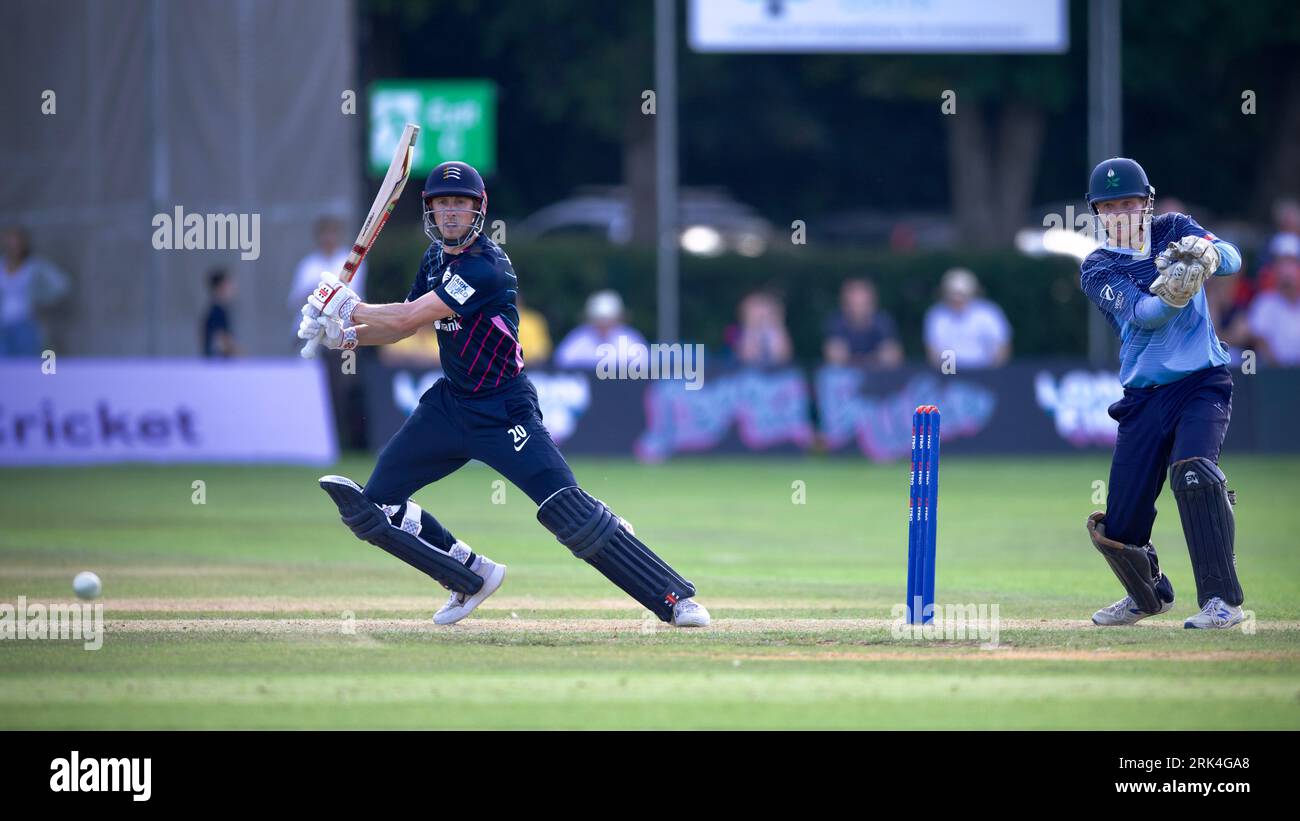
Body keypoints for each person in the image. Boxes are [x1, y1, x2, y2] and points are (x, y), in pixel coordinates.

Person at [294, 161, 708, 627]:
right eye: (442, 204)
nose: (451, 213)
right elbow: (397, 332)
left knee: (569, 513)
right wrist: (341, 334)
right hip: (450, 406)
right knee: (374, 509)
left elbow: (410, 316)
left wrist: (350, 306)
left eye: (461, 204)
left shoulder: (484, 266)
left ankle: (676, 600)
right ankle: (470, 575)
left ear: (478, 211)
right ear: (431, 210)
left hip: (505, 410)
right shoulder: (433, 260)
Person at [1078, 157, 1246, 630]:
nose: (1122, 214)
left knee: (1194, 474)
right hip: (1144, 396)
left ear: (1147, 203)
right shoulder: (1098, 266)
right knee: (1120, 524)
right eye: (1110, 207)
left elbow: (1232, 258)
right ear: (1098, 213)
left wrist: (1210, 254)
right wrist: (1175, 288)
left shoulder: (1174, 227)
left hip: (1201, 383)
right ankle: (1148, 594)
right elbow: (1145, 314)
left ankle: (1221, 601)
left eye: (1130, 203)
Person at [0, 225, 69, 356]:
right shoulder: (1, 266)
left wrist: (42, 300)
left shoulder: (34, 266)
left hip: (25, 322)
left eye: (17, 242)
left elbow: (61, 284)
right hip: (3, 323)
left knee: (25, 364)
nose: (13, 246)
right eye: (10, 241)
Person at [288, 216, 366, 332]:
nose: (328, 238)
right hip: (309, 327)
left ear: (339, 235)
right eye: (324, 233)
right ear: (318, 237)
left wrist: (320, 293)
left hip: (342, 329)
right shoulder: (307, 264)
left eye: (333, 233)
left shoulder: (352, 261)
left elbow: (351, 297)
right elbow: (296, 300)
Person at [922, 268, 1011, 369]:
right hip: (951, 372)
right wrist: (951, 373)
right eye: (952, 295)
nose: (957, 299)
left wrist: (992, 373)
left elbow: (1001, 346)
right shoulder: (937, 314)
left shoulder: (988, 313)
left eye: (961, 295)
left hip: (985, 370)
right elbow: (934, 350)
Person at [552, 290, 648, 371]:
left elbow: (646, 366)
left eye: (608, 320)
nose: (604, 324)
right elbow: (561, 362)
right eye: (600, 320)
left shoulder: (630, 340)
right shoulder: (579, 339)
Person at [823, 278, 902, 368]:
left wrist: (856, 360)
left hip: (878, 374)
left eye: (864, 304)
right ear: (845, 304)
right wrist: (873, 359)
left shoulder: (883, 322)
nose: (859, 309)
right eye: (855, 304)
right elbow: (834, 358)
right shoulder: (836, 322)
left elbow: (892, 357)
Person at [1246, 254, 1300, 366]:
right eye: (1285, 281)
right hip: (1272, 369)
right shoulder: (1265, 302)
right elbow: (1259, 339)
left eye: (1291, 280)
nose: (1289, 285)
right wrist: (1277, 367)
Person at [729, 290, 793, 367]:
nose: (760, 314)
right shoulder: (736, 331)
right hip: (748, 372)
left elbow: (784, 355)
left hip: (777, 371)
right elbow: (746, 356)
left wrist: (776, 325)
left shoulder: (776, 330)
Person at [201, 269, 241, 358]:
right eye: (229, 285)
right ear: (220, 287)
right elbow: (221, 343)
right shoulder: (217, 313)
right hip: (218, 367)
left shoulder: (219, 311)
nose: (233, 288)